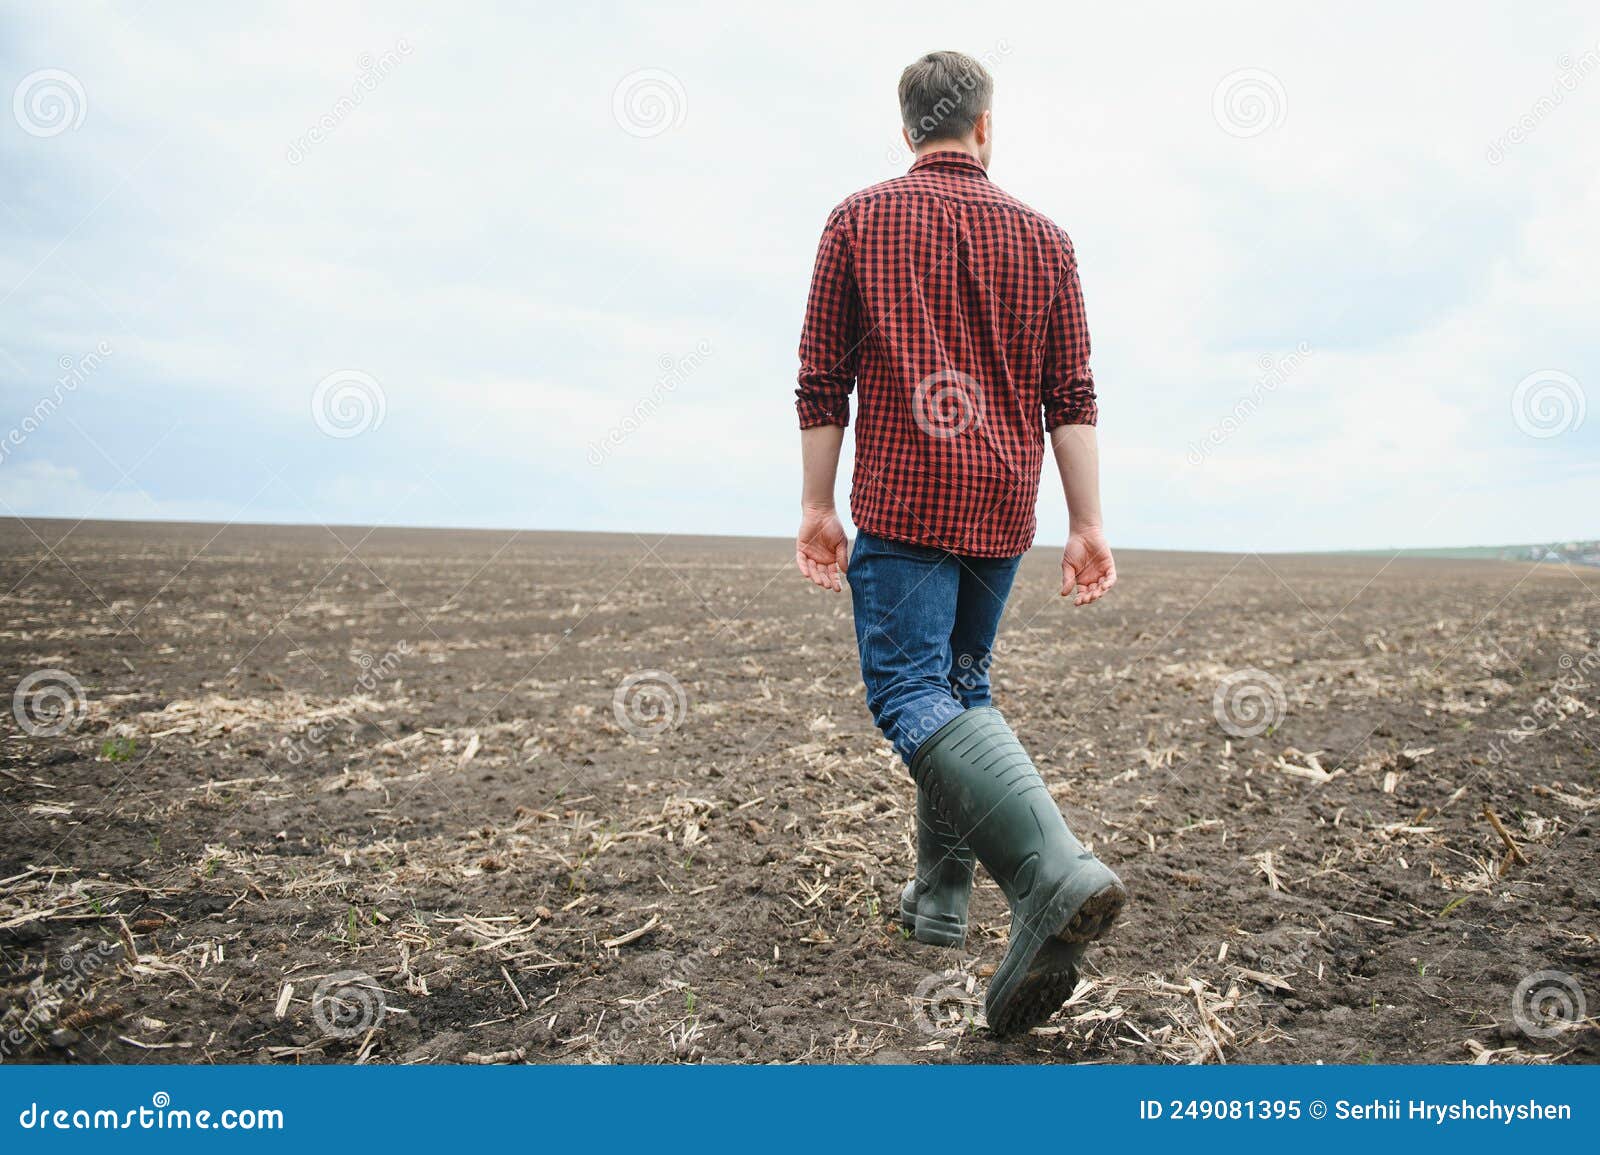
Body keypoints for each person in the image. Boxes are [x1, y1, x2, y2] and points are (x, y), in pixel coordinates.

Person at [792, 50, 1125, 1035]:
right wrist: (1087, 522)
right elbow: (1071, 395)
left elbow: (822, 379)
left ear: (907, 132)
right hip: (998, 507)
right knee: (958, 690)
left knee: (911, 695)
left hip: (901, 501)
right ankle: (938, 904)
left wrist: (817, 505)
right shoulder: (1046, 239)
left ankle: (1049, 872)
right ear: (985, 125)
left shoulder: (856, 218)